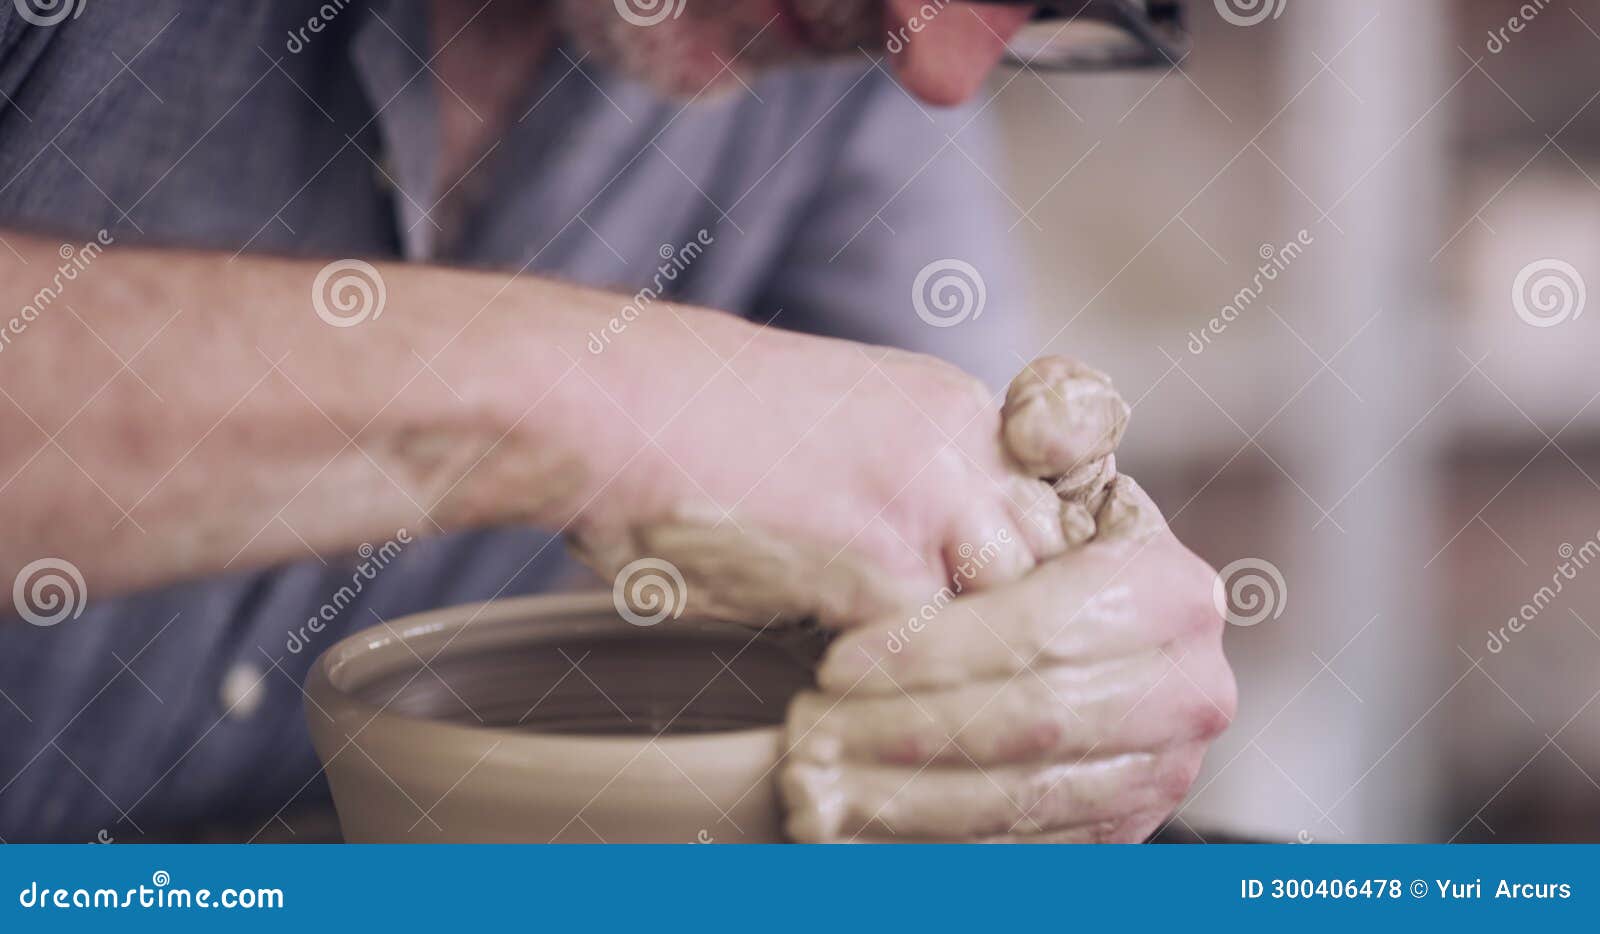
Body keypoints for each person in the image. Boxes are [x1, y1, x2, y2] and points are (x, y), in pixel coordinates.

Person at [0, 0, 1232, 842]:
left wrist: (1082, 664)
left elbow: (960, 561)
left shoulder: (846, 55)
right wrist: (590, 401)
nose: (940, 66)